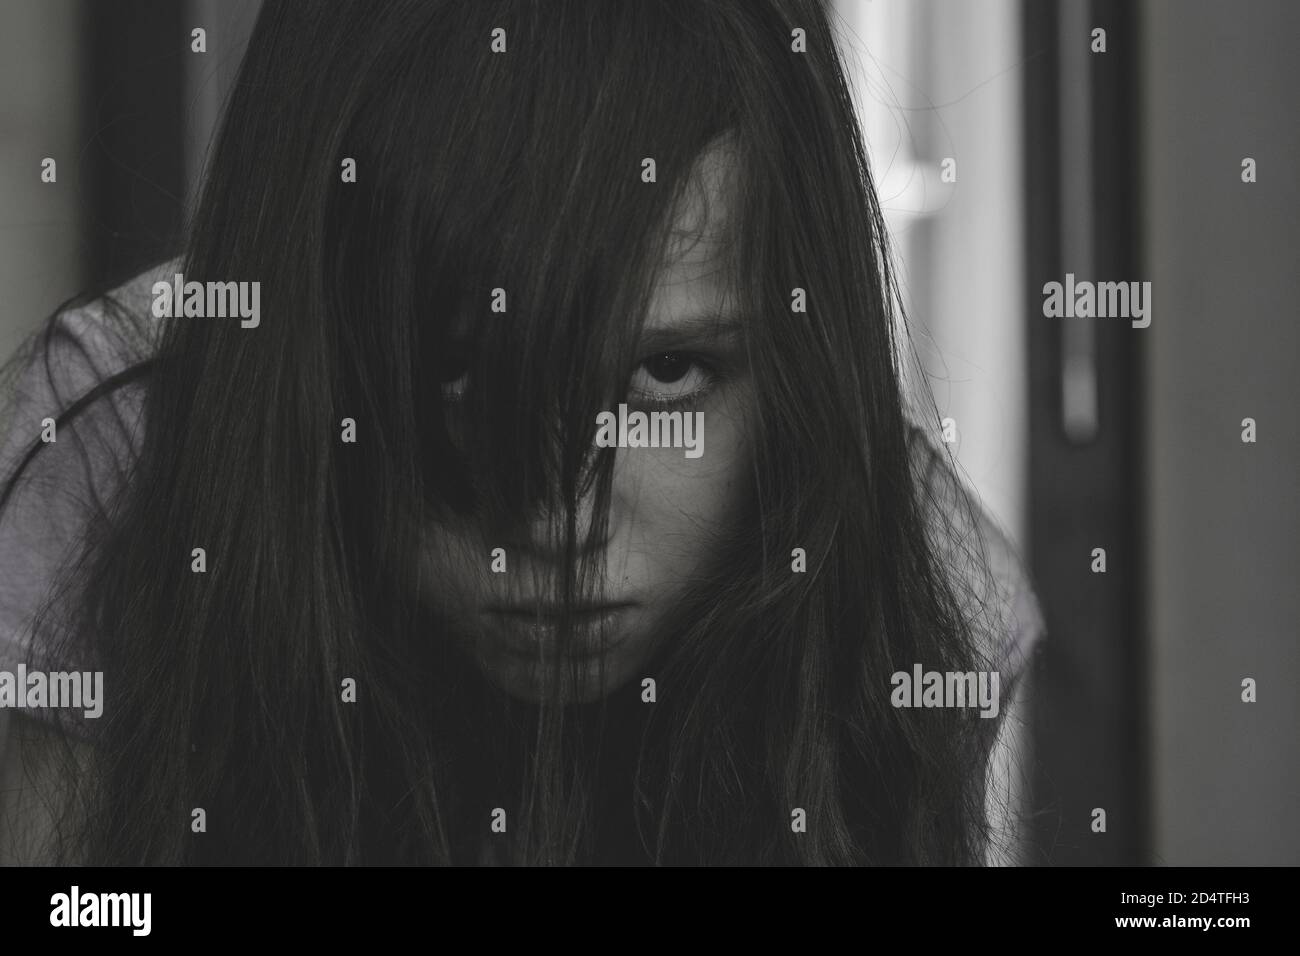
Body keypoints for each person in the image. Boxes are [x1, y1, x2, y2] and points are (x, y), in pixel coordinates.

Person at [0, 0, 1043, 865]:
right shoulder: (111, 457)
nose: (558, 523)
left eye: (668, 372)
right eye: (461, 377)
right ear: (311, 358)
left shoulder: (918, 602)